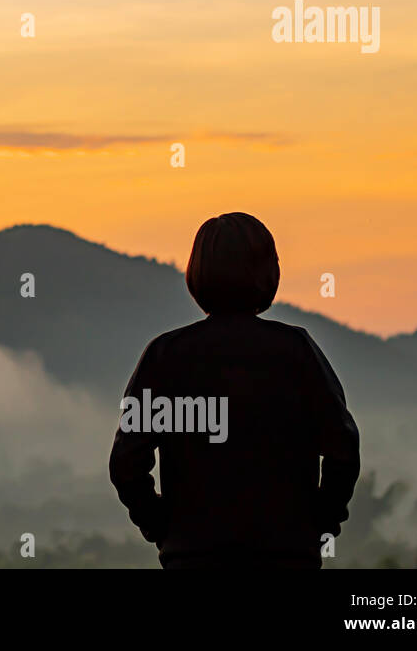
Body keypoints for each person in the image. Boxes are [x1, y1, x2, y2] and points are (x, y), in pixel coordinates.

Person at [109, 212, 360, 568]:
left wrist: (166, 530)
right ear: (267, 273)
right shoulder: (296, 351)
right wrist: (316, 527)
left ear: (196, 272)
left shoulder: (166, 356)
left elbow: (126, 464)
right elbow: (343, 449)